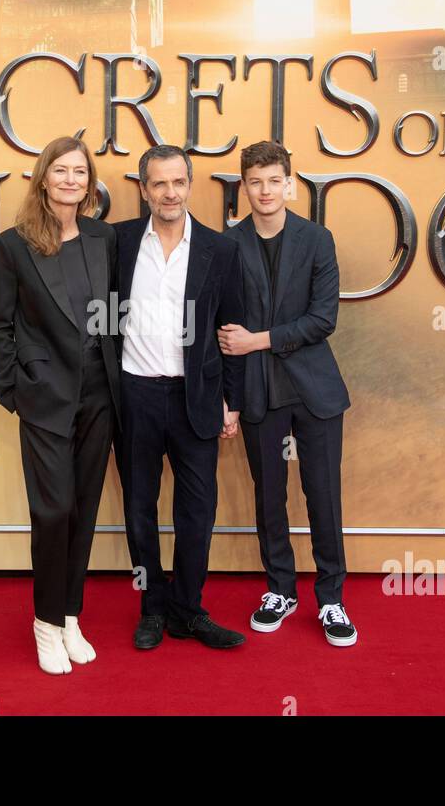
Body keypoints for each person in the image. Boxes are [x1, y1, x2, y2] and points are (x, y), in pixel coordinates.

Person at [0, 136, 122, 674]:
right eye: (61, 171)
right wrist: (13, 388)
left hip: (99, 394)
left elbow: (113, 311)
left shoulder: (102, 237)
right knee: (53, 510)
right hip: (45, 396)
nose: (71, 180)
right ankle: (44, 622)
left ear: (89, 183)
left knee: (84, 508)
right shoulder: (14, 245)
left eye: (80, 172)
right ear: (43, 178)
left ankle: (69, 617)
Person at [217, 140, 356, 647]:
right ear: (244, 187)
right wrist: (228, 399)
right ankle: (280, 589)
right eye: (255, 181)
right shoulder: (227, 244)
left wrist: (260, 339)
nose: (265, 190)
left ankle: (332, 598)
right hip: (257, 392)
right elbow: (221, 328)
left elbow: (324, 319)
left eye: (274, 180)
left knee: (323, 496)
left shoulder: (318, 240)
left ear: (289, 184)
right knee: (269, 497)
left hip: (314, 390)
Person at [114, 144, 247, 650]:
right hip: (135, 398)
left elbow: (231, 329)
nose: (169, 192)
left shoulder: (220, 249)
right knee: (139, 510)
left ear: (189, 185)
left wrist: (230, 401)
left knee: (197, 510)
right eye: (158, 184)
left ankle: (188, 610)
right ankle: (151, 608)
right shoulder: (120, 242)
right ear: (144, 189)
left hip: (196, 400)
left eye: (178, 182)